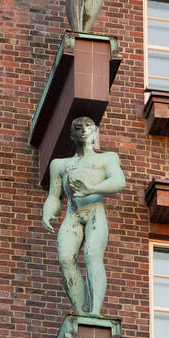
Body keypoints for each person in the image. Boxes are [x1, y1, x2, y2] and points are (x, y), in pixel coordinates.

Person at [42, 116, 126, 316]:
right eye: (78, 128)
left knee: (92, 254)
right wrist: (48, 211)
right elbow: (54, 195)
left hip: (95, 210)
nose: (84, 131)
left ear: (95, 131)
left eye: (88, 127)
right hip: (72, 213)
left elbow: (119, 181)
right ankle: (81, 312)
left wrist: (93, 189)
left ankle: (95, 311)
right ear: (72, 135)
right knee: (65, 259)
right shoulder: (59, 164)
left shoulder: (107, 158)